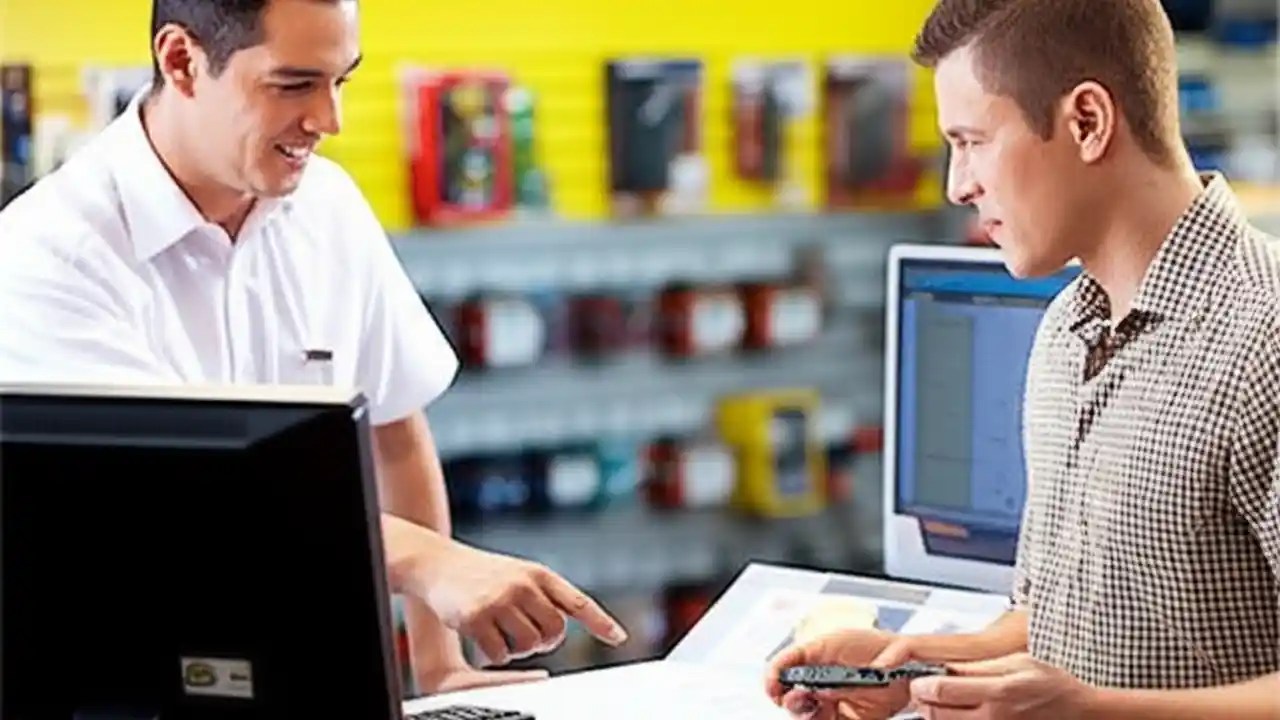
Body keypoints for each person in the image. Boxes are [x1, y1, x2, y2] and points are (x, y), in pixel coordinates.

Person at [0, 0, 628, 695]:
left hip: (307, 672)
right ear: (180, 60)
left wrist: (440, 665)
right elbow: (174, 500)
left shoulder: (327, 206)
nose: (329, 120)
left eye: (341, 82)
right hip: (117, 682)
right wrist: (429, 561)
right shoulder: (48, 253)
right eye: (293, 84)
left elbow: (392, 429)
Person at [764, 0, 1280, 718]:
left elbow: (1085, 696)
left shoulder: (1266, 340)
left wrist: (1096, 711)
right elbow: (1065, 625)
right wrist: (915, 670)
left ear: (1087, 122)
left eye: (971, 141)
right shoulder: (1065, 331)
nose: (957, 184)